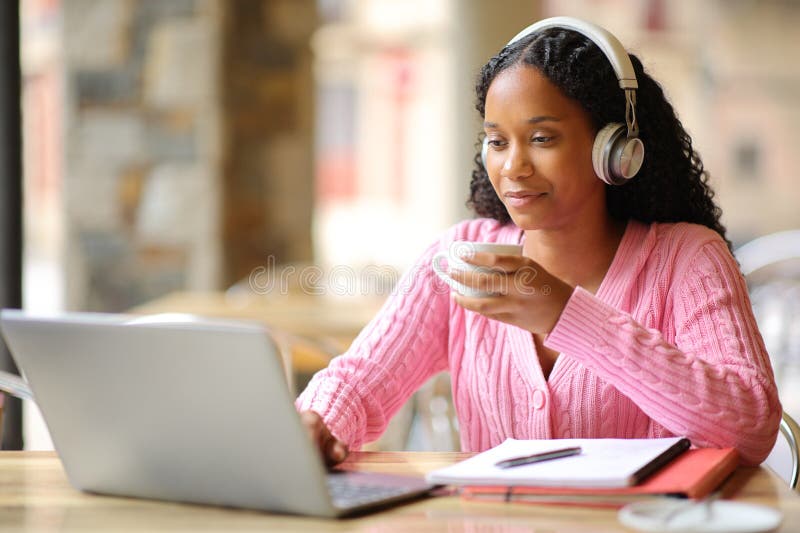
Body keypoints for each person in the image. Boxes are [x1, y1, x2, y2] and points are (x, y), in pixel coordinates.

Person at [296, 17, 781, 467]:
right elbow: (357, 383)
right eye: (498, 141)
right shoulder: (461, 257)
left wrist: (565, 313)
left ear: (615, 148)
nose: (513, 168)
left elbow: (751, 425)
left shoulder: (686, 259)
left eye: (542, 138)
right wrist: (319, 421)